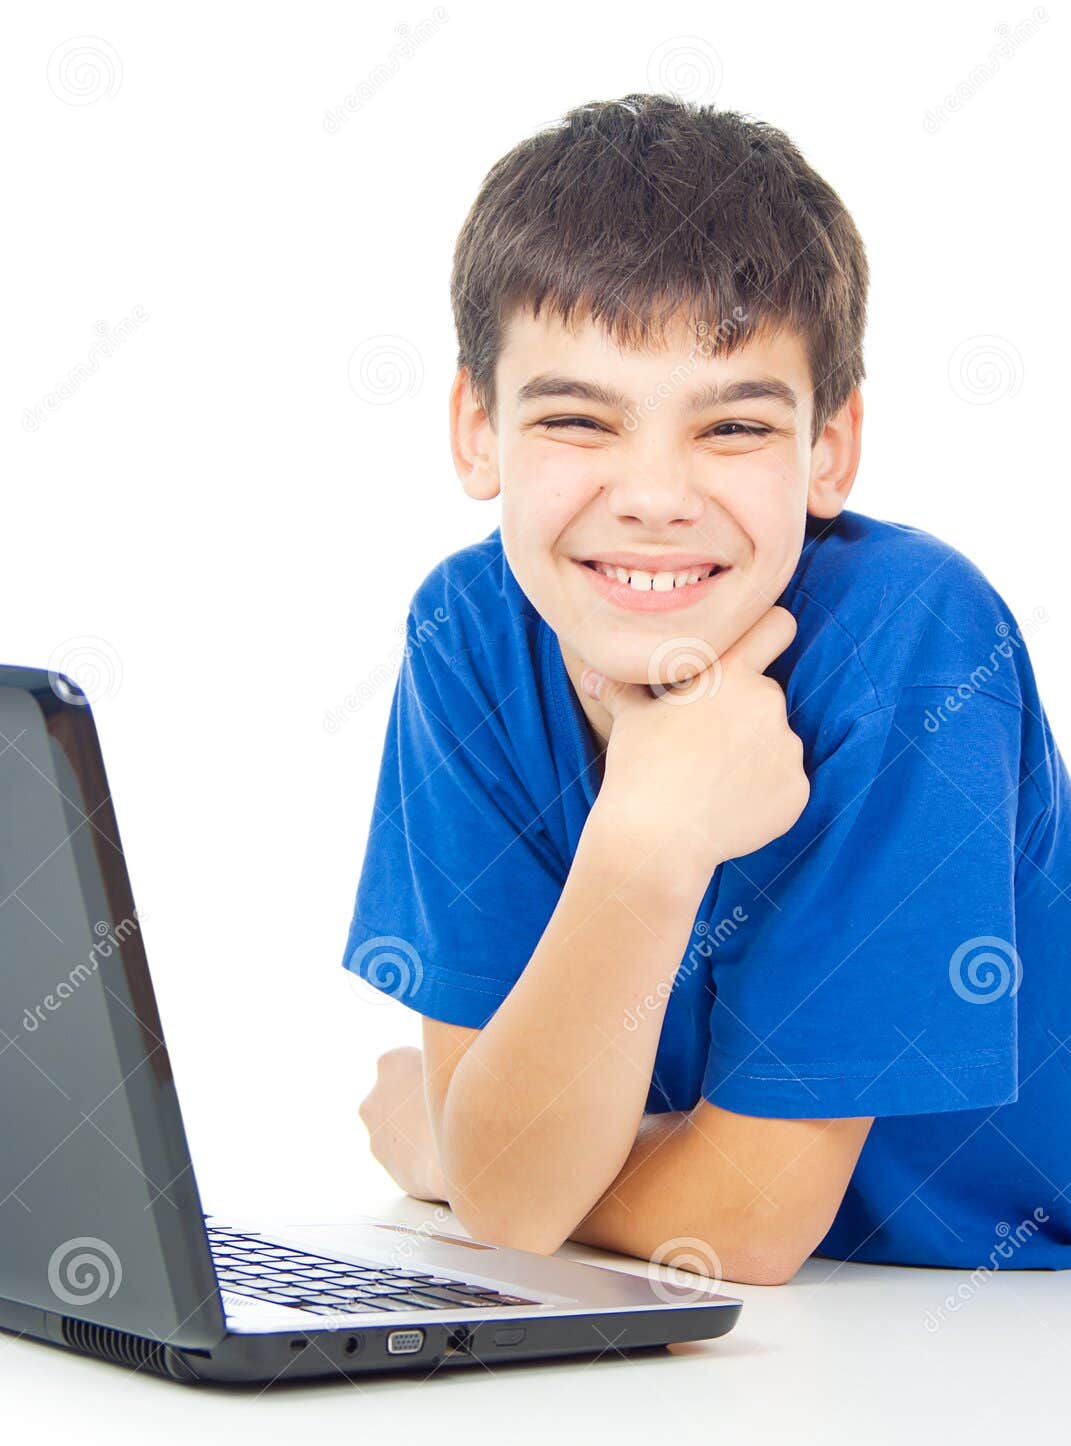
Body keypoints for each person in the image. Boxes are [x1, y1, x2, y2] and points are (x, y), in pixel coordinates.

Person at [342, 93, 1070, 1284]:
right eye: (578, 418)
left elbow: (736, 1224)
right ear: (477, 429)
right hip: (834, 1333)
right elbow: (515, 1190)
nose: (654, 496)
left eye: (732, 427)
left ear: (829, 447)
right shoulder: (469, 634)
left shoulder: (914, 639)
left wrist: (452, 1144)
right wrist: (648, 840)